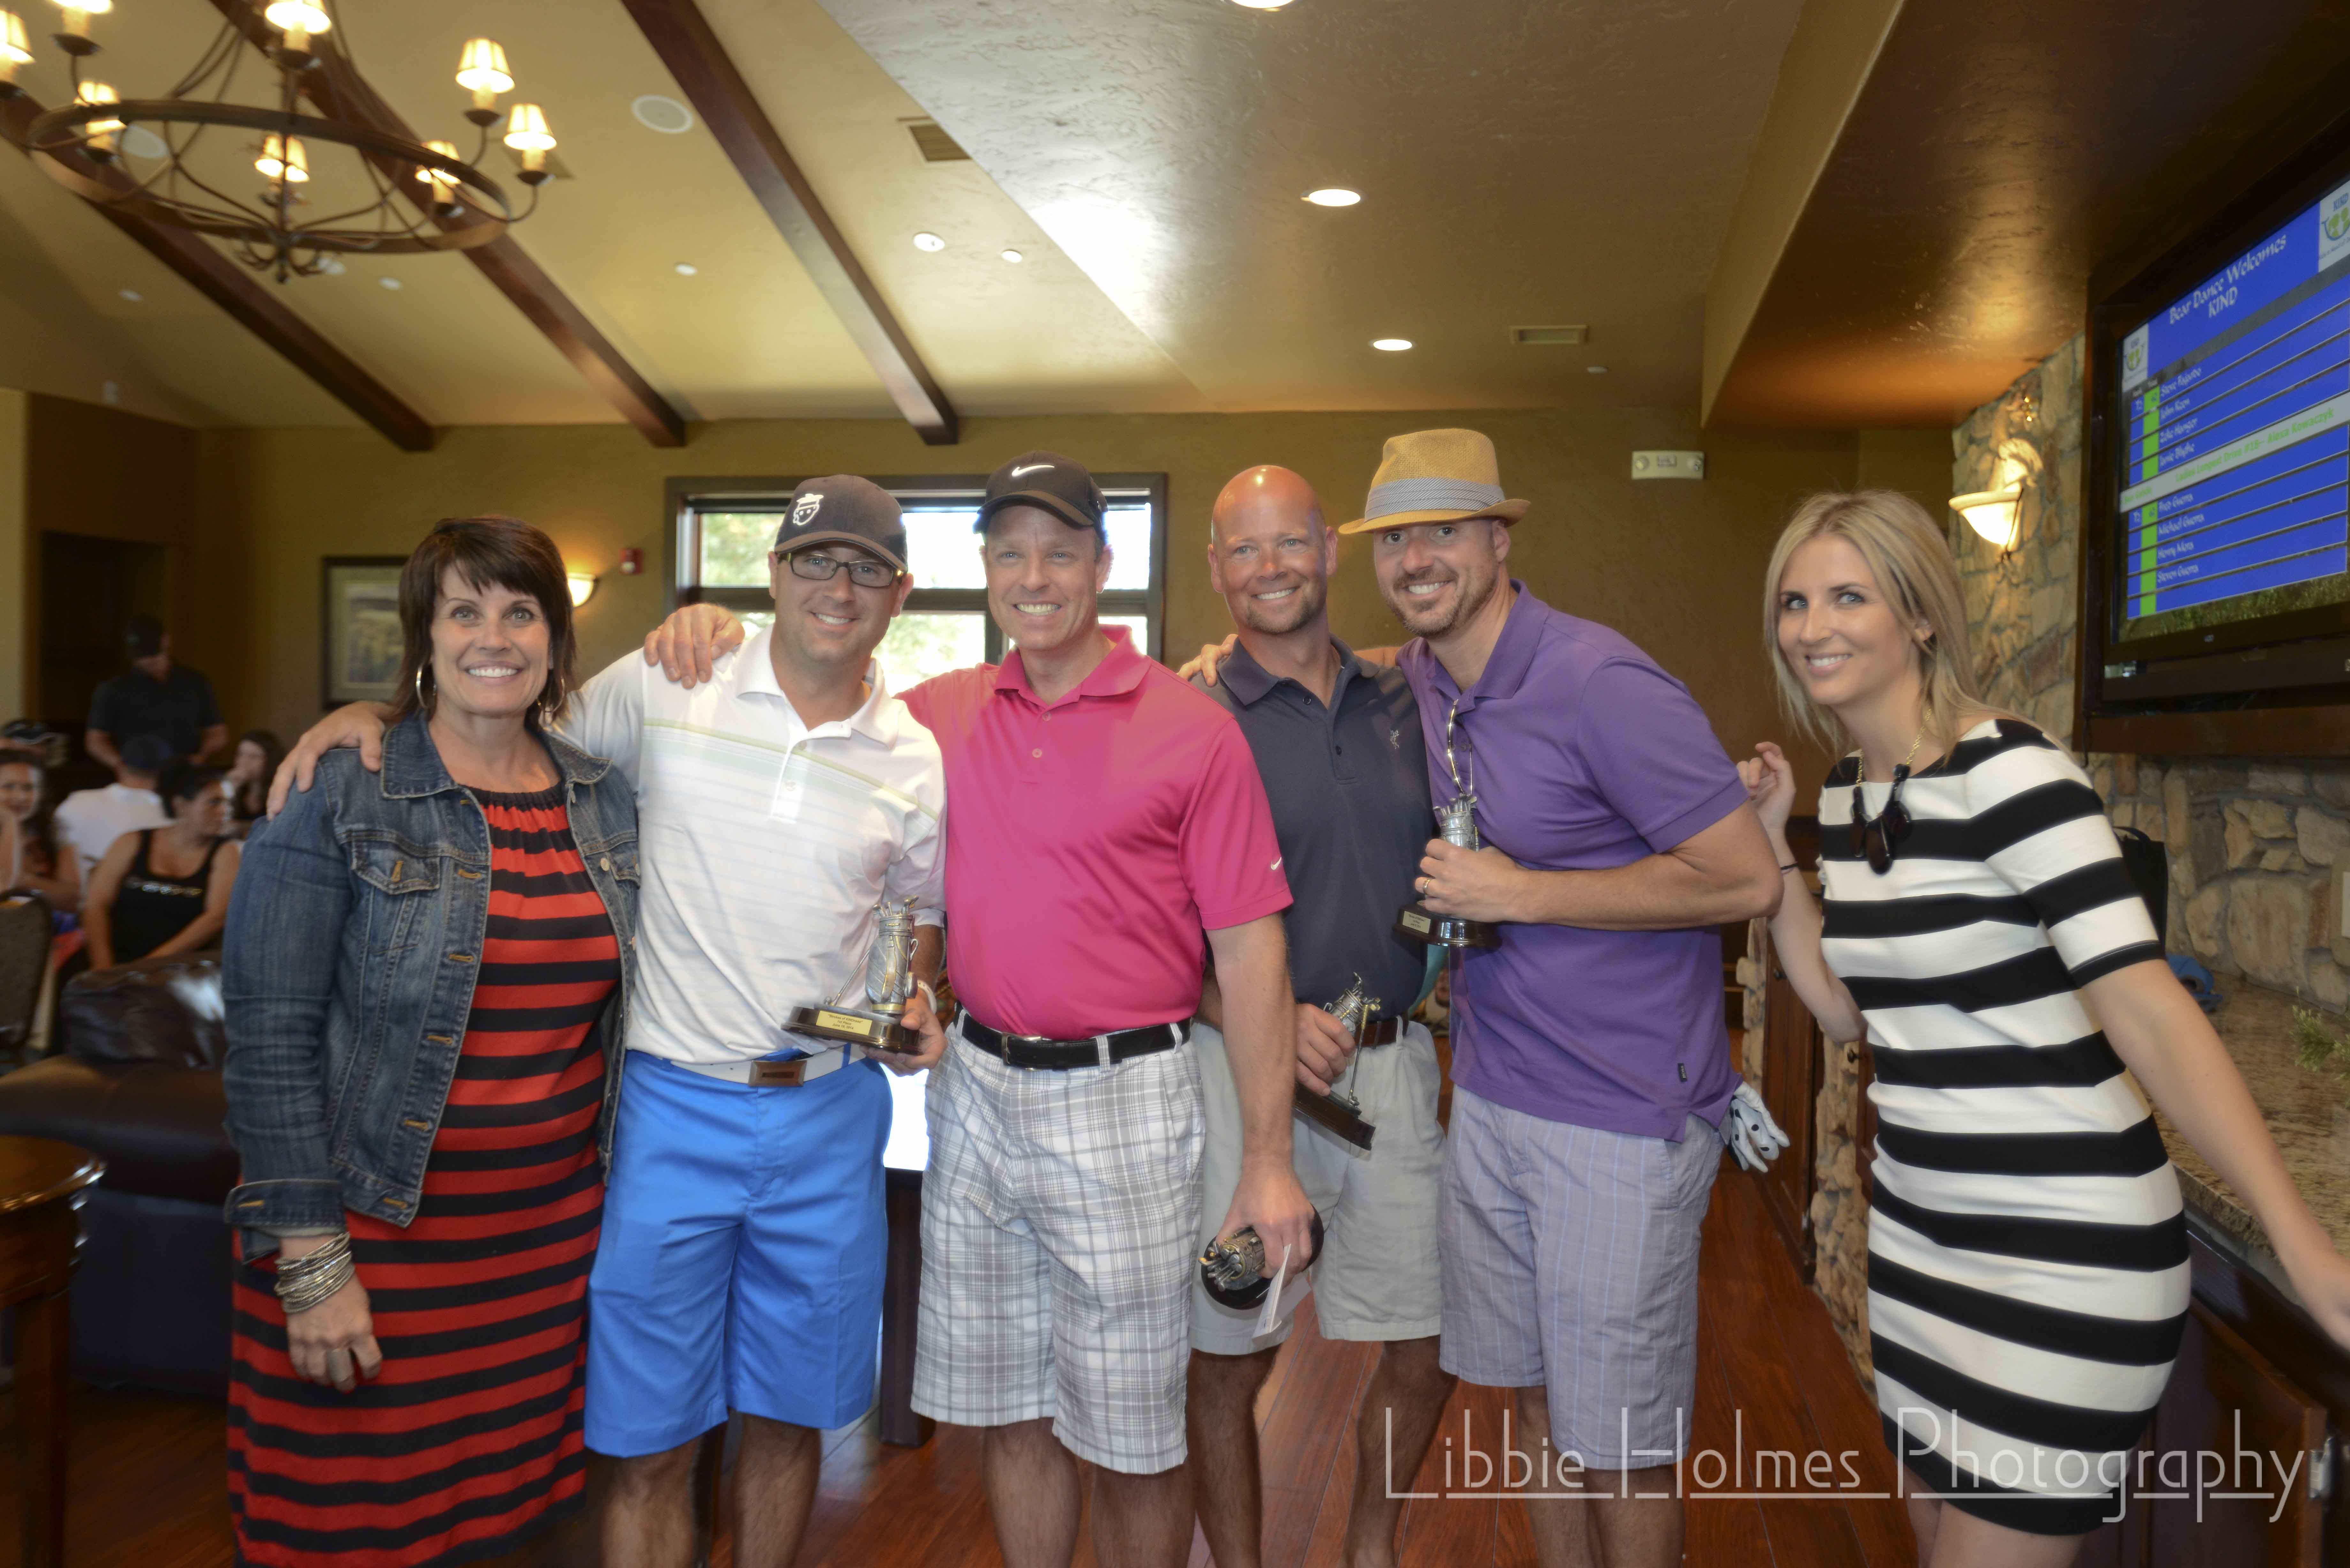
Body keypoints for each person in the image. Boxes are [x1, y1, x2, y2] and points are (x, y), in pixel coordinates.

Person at [644, 451, 1315, 1568]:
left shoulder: (1191, 727)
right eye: (1010, 553)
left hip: (1127, 1099)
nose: (1034, 577)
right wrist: (714, 630)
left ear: (1103, 564)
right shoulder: (937, 715)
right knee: (1010, 1415)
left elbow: (1252, 951)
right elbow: (813, 702)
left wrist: (1268, 1159)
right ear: (986, 568)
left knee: (1135, 1440)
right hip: (977, 1091)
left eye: (1060, 553)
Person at [271, 479, 951, 1568]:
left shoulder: (916, 759)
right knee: (650, 1440)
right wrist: (372, 721)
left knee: (788, 1422)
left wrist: (916, 996)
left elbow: (920, 920)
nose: (840, 586)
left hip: (830, 1116)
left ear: (901, 593)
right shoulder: (667, 680)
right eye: (816, 560)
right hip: (662, 1110)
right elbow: (495, 725)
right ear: (773, 573)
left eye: (867, 568)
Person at [1195, 429, 1783, 1567]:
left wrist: (1522, 890)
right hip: (1488, 1094)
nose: (1418, 557)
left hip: (1616, 1108)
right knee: (1533, 1406)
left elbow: (1745, 877)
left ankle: (1382, 1547)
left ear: (1499, 539)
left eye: (1445, 530)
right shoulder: (1419, 679)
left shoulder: (1594, 679)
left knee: (1614, 1438)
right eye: (1398, 537)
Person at [1740, 491, 2350, 1566]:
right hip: (1921, 1242)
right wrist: (1773, 852)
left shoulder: (2012, 772)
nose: (1813, 626)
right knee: (1934, 1534)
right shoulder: (1844, 799)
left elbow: (2148, 1006)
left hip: (2067, 1246)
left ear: (1920, 617)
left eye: (1847, 596)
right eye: (1795, 601)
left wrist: (2302, 1244)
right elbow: (1845, 1010)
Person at [221, 516, 642, 1566]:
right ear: (425, 635)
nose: (492, 638)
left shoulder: (605, 799)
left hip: (546, 1257)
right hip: (374, 1240)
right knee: (336, 1534)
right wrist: (311, 1259)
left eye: (520, 612)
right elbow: (267, 1038)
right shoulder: (339, 789)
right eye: (464, 612)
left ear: (556, 640)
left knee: (506, 1538)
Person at [1185, 464, 1456, 1568]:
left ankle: (1369, 1545)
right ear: (1215, 568)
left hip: (1390, 1068)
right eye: (1244, 548)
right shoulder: (1191, 714)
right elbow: (1149, 924)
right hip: (1240, 1073)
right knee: (1226, 1352)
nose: (1270, 568)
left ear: (1330, 550)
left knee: (1428, 1344)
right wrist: (1253, 1012)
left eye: (1289, 541)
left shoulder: (1408, 698)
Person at [82, 759, 237, 969]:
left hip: (175, 971)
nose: (225, 811)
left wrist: (145, 967)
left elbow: (217, 917)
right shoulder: (132, 842)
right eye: (214, 802)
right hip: (111, 962)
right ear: (181, 805)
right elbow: (95, 905)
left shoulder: (226, 852)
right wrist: (103, 967)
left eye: (229, 803)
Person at [87, 613, 226, 766]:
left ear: (166, 641)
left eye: (150, 651)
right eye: (140, 654)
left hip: (184, 771)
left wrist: (201, 756)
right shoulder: (112, 689)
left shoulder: (196, 683)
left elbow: (218, 733)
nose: (146, 660)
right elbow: (95, 740)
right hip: (137, 773)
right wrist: (121, 765)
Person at [54, 731, 172, 882]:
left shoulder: (75, 802)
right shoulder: (172, 816)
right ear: (166, 773)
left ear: (120, 765)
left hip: (75, 895)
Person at [1, 749, 78, 912]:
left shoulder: (54, 830)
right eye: (9, 787)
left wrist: (21, 878)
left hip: (44, 924)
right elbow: (4, 888)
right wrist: (10, 822)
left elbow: (73, 898)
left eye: (29, 788)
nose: (21, 797)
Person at [226, 729, 284, 834]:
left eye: (253, 757)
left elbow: (280, 827)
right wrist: (229, 791)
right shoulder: (230, 785)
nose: (244, 762)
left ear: (269, 761)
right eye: (240, 755)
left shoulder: (281, 789)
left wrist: (243, 827)